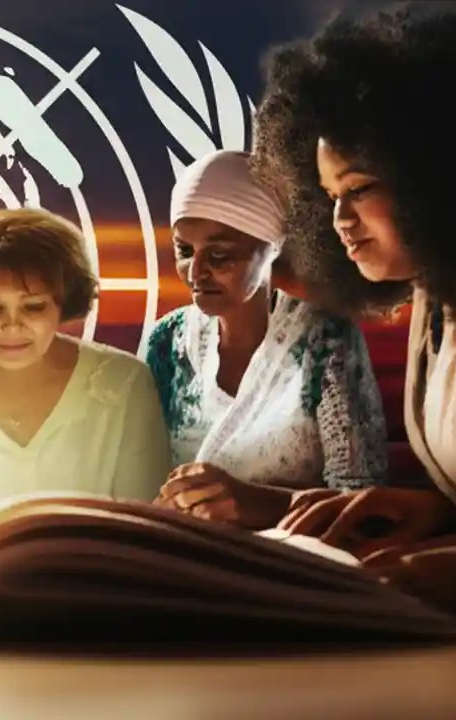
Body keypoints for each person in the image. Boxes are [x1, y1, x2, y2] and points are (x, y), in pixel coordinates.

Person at [254, 7, 456, 613]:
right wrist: (435, 514)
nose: (339, 222)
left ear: (442, 172)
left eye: (359, 189)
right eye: (329, 197)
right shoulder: (439, 287)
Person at [144, 150, 386, 530]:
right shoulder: (167, 342)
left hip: (294, 562)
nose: (197, 271)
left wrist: (256, 504)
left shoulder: (324, 339)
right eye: (184, 251)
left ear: (271, 247)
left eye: (220, 254)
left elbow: (362, 502)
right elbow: (144, 478)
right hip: (183, 556)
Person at [0, 208, 171, 550]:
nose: (12, 326)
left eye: (33, 307)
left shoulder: (125, 383)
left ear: (62, 304)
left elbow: (145, 532)